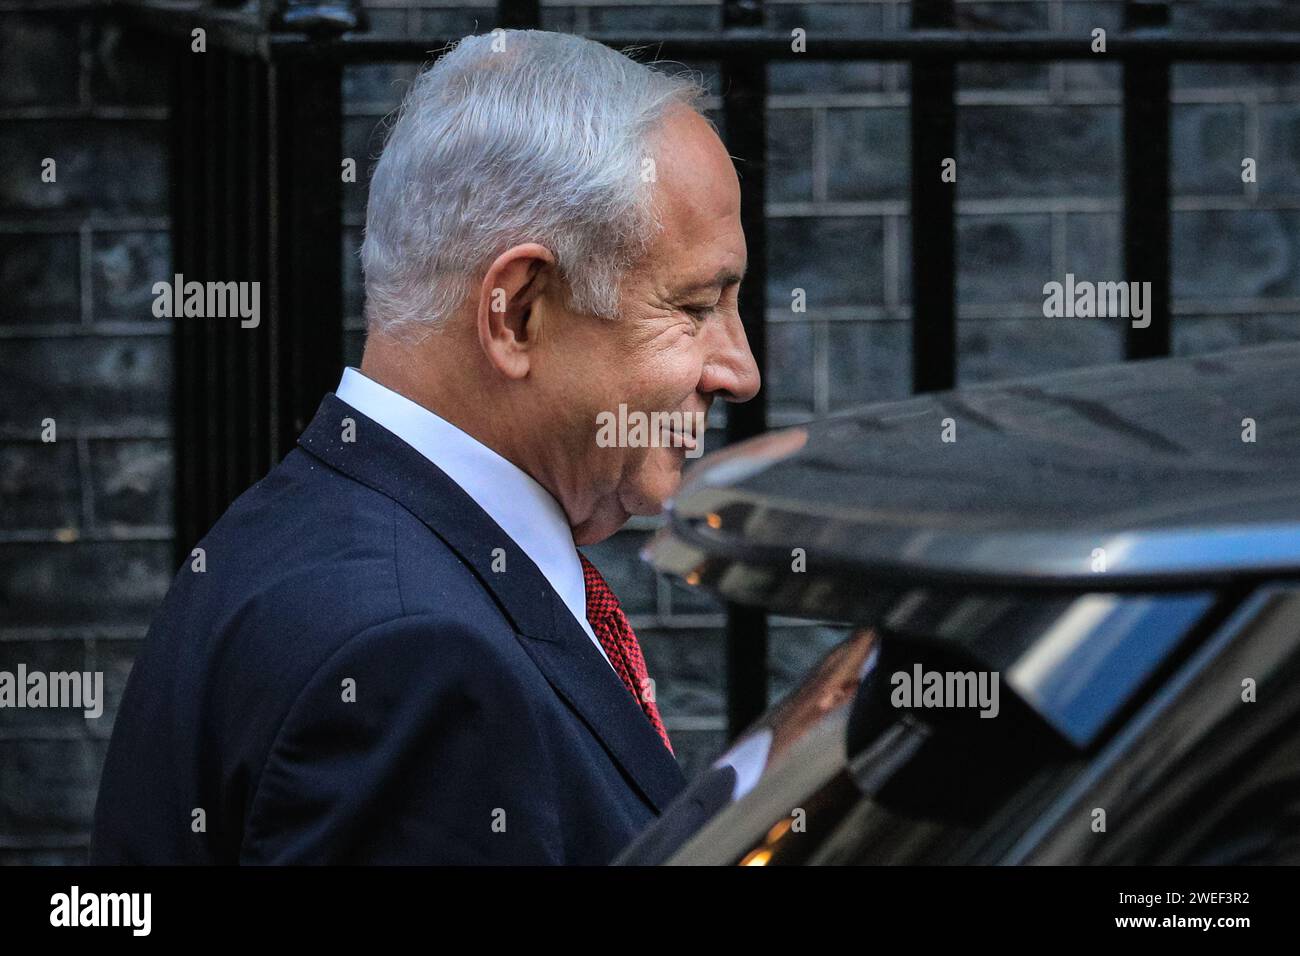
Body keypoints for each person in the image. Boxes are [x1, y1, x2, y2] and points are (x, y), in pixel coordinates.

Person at [91, 28, 760, 864]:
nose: (740, 371)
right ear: (516, 312)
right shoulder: (412, 659)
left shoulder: (316, 537)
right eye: (696, 307)